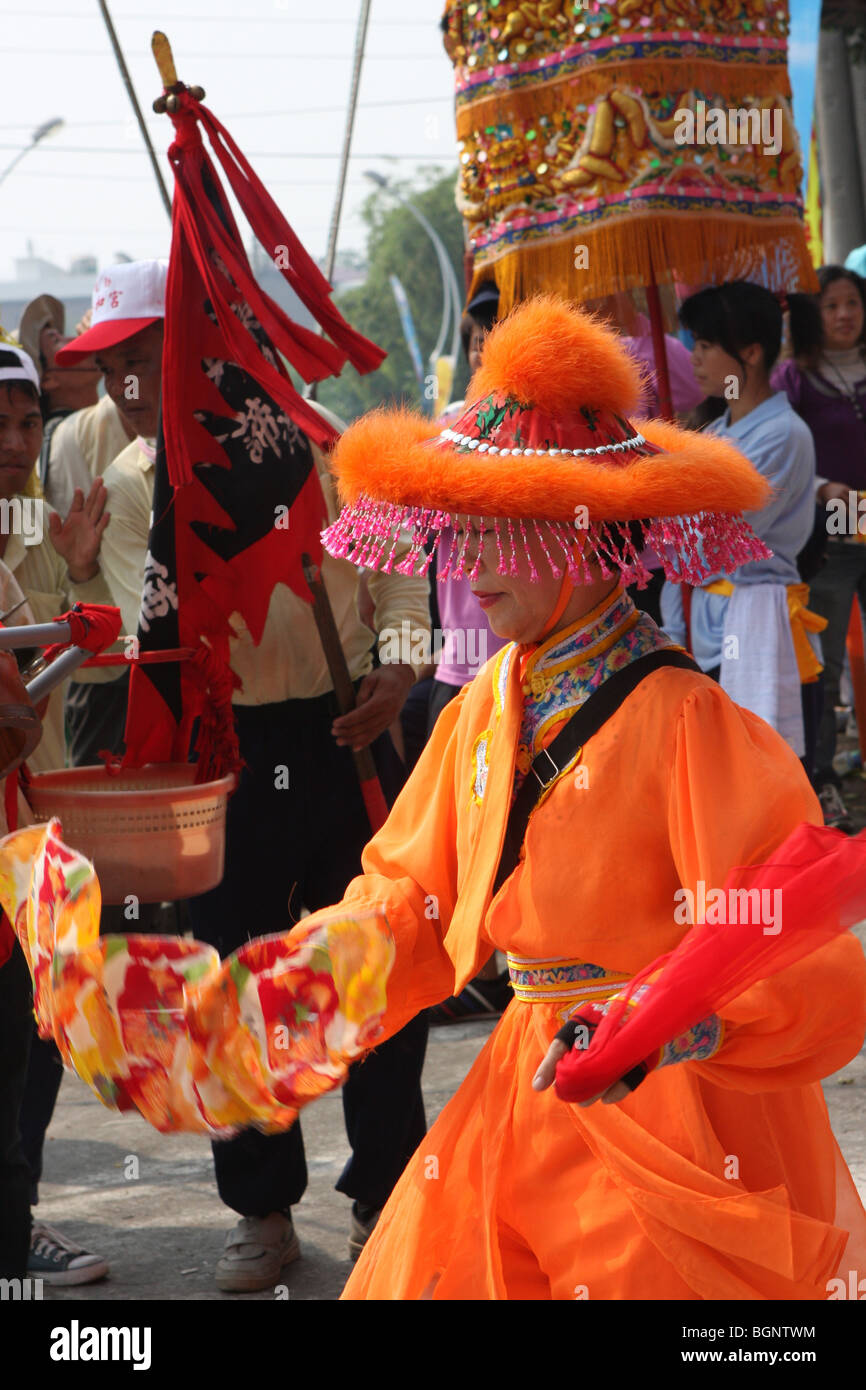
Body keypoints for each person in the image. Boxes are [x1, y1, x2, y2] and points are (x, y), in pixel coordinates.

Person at [291, 295, 864, 1299]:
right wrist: (290, 981)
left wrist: (677, 1023)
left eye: (488, 528)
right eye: (454, 531)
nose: (461, 565)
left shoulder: (684, 717)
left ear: (575, 528)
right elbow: (409, 900)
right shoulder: (480, 709)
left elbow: (786, 938)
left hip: (658, 1115)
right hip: (525, 1085)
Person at [57, 263, 434, 1289]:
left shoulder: (325, 443)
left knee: (377, 976)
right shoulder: (140, 482)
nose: (126, 383)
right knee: (228, 984)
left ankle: (385, 1192)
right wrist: (89, 576)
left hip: (355, 730)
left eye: (142, 358)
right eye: (111, 368)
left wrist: (396, 669)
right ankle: (261, 1207)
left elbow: (401, 569)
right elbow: (158, 637)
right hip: (228, 754)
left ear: (198, 349)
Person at [0, 344, 114, 1286]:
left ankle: (21, 1221)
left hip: (34, 827)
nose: (13, 442)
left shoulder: (49, 530)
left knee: (34, 1043)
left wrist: (79, 576)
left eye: (27, 424)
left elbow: (104, 652)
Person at [660, 281, 822, 766]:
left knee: (764, 779)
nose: (695, 359)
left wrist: (670, 512)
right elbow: (679, 546)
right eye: (695, 344)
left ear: (750, 353)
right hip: (705, 628)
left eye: (707, 346)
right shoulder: (713, 437)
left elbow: (709, 548)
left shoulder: (784, 435)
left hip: (756, 625)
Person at [772, 266, 866, 828]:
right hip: (829, 535)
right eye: (831, 306)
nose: (844, 315)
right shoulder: (793, 379)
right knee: (826, 662)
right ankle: (824, 781)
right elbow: (782, 457)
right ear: (814, 315)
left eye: (853, 303)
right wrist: (822, 488)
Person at [15, 294, 106, 508]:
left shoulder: (68, 430)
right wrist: (118, 346)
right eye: (57, 341)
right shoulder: (79, 429)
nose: (74, 339)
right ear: (48, 380)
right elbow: (136, 393)